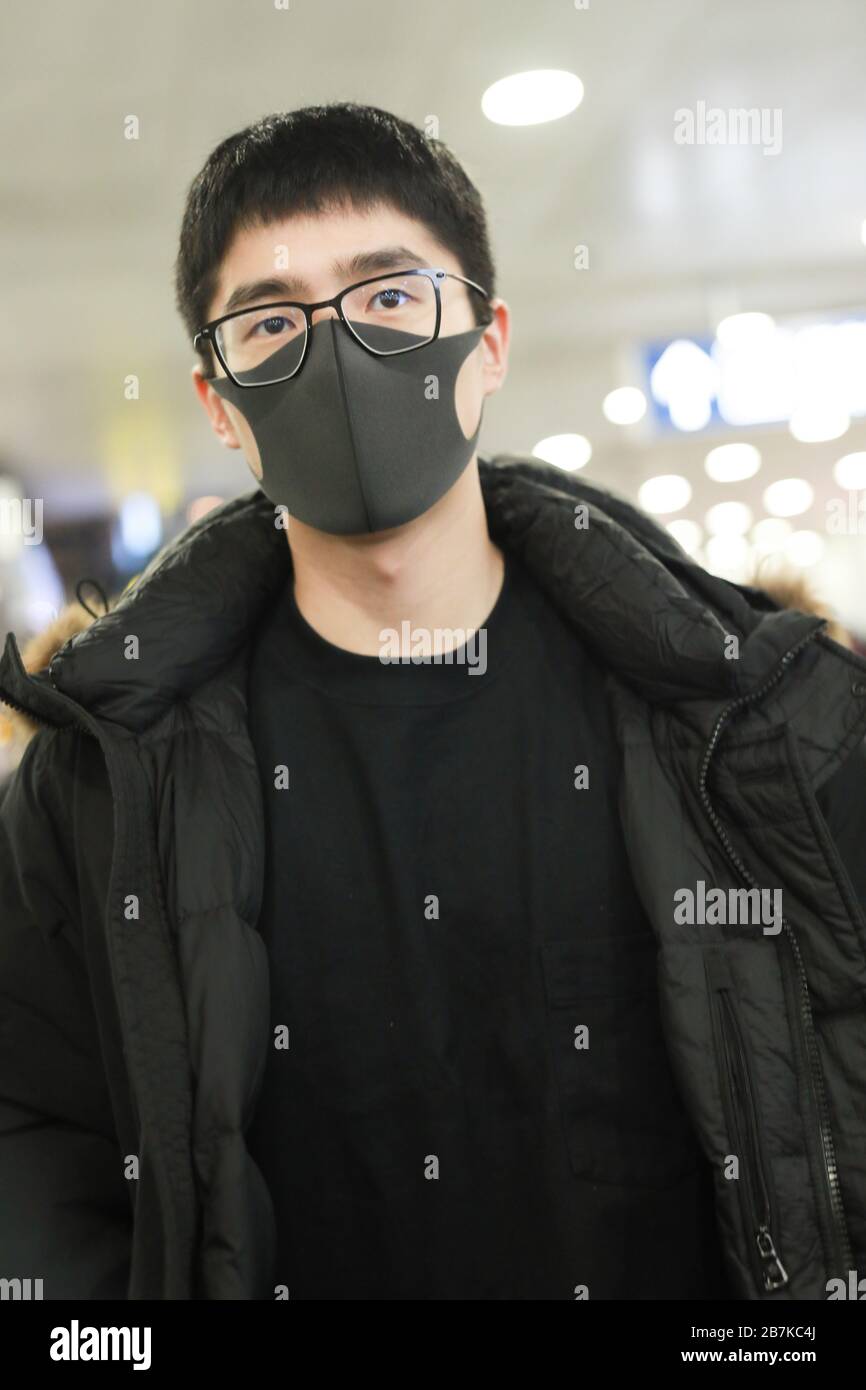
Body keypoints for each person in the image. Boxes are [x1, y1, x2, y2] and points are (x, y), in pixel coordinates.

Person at [1, 102, 865, 1302]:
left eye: (389, 296)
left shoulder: (744, 727)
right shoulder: (100, 780)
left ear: (489, 340)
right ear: (217, 405)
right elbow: (34, 1132)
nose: (338, 351)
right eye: (267, 322)